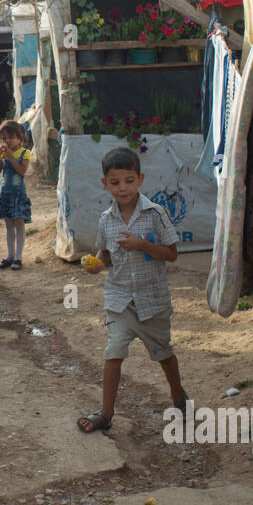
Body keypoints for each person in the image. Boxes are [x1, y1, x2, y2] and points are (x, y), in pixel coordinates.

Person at [78, 146, 190, 433]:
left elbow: (171, 253)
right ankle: (105, 413)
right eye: (115, 183)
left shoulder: (155, 214)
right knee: (113, 352)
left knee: (163, 352)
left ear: (140, 179)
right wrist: (97, 264)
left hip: (152, 300)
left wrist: (143, 245)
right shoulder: (106, 220)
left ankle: (178, 395)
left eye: (129, 181)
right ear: (105, 184)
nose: (122, 188)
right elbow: (105, 254)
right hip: (120, 299)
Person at [0, 119, 33, 270]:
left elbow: (21, 171)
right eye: (5, 138)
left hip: (18, 195)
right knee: (9, 225)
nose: (8, 141)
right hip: (5, 194)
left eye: (11, 137)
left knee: (19, 225)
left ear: (20, 137)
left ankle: (18, 257)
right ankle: (9, 255)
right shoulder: (4, 153)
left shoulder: (25, 153)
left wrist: (10, 156)